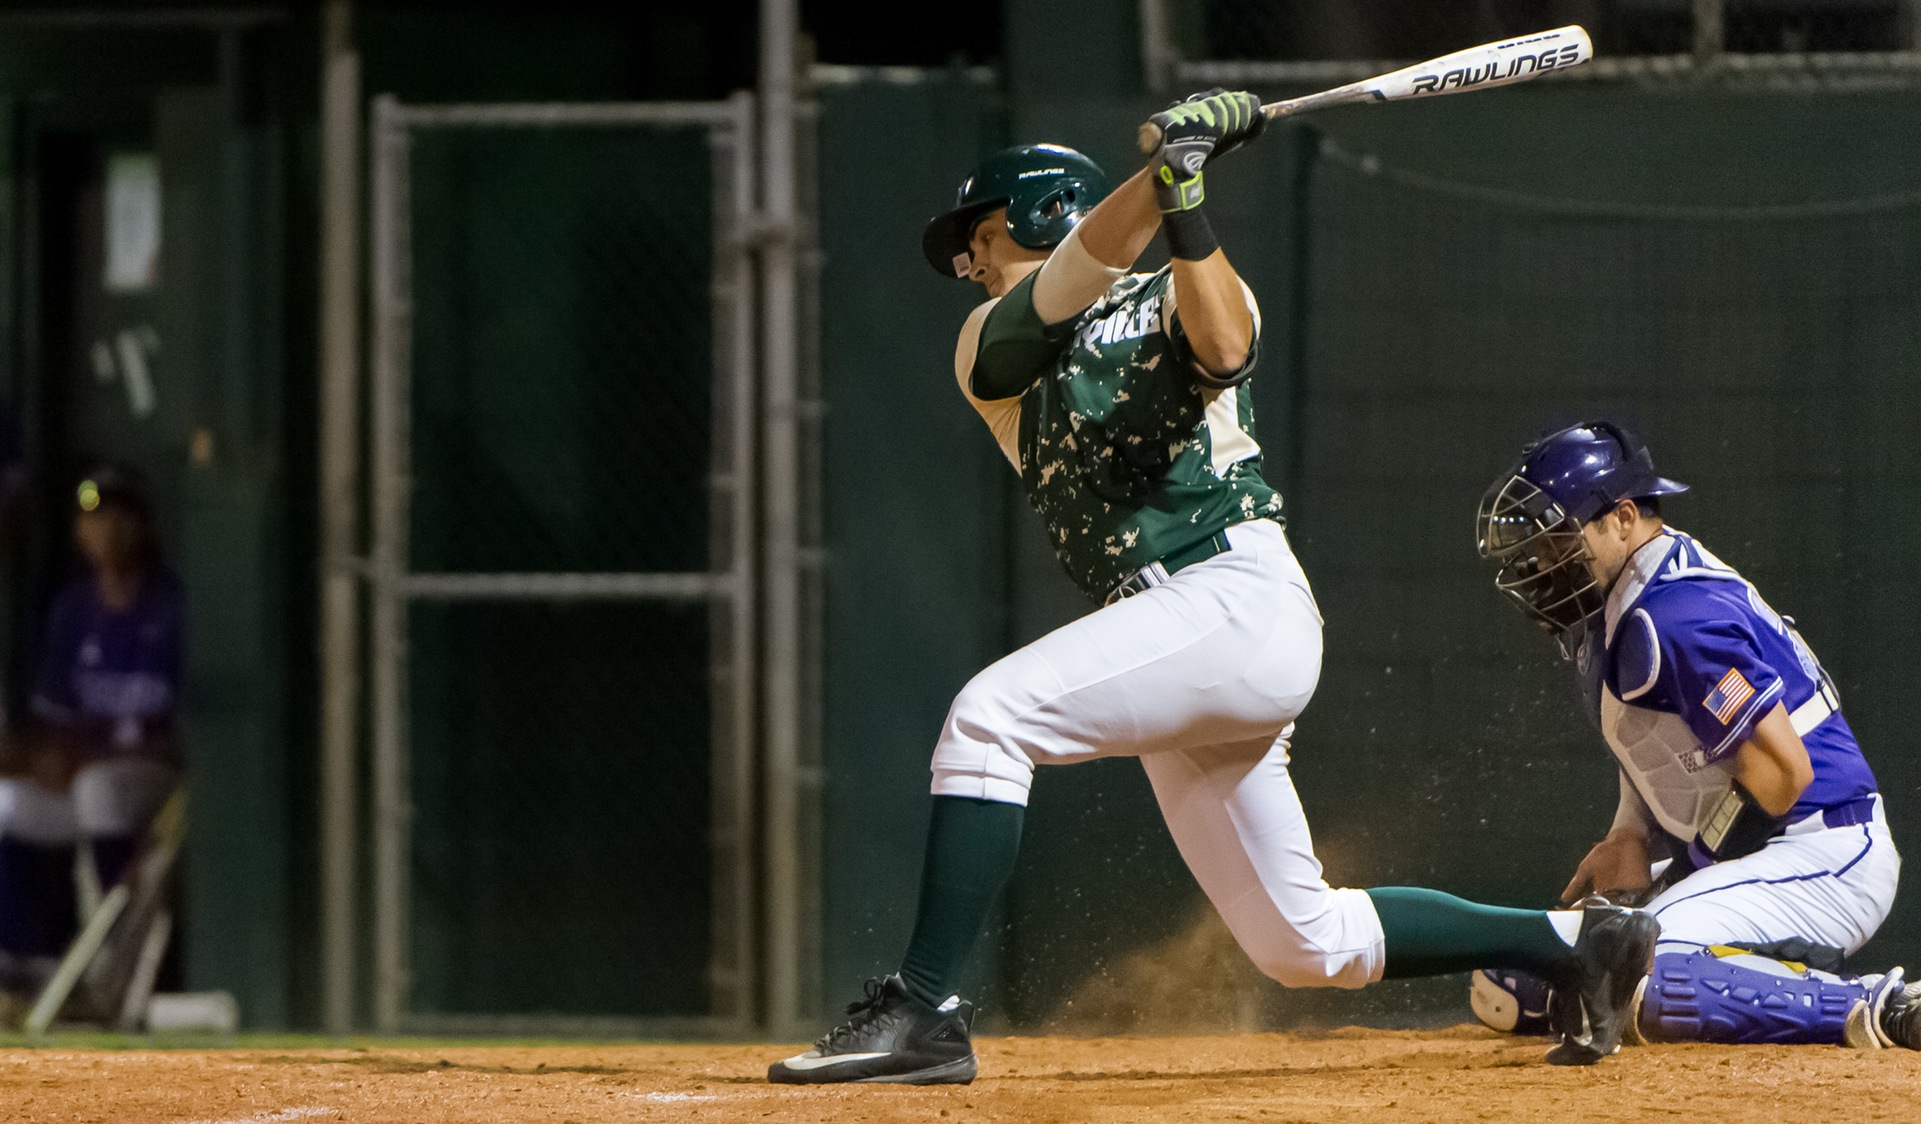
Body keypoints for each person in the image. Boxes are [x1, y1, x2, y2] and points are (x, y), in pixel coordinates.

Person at [769, 93, 1658, 1086]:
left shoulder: (1174, 288)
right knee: (1300, 940)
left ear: (1036, 209)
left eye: (977, 234)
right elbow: (1064, 291)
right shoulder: (987, 347)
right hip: (1171, 634)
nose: (968, 262)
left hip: (1234, 597)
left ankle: (923, 1006)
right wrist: (1158, 180)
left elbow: (1228, 343)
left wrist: (1185, 197)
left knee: (987, 718)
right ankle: (1577, 944)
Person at [1472, 421, 1918, 1051]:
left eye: (1560, 538)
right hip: (1755, 847)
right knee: (1509, 986)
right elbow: (1661, 740)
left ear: (1623, 517)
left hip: (1826, 850)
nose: (1545, 561)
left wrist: (1678, 873)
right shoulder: (1625, 590)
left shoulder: (1677, 618)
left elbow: (1786, 778)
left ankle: (1885, 1008)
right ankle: (1734, 967)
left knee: (1631, 966)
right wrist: (1629, 835)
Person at [0, 463, 184, 1010]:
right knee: (9, 803)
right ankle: (36, 959)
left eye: (113, 516)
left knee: (98, 790)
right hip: (84, 771)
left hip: (147, 776)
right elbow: (54, 719)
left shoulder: (169, 607)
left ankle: (116, 963)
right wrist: (38, 758)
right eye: (91, 518)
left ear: (140, 523)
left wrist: (92, 756)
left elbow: (190, 732)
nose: (101, 529)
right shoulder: (74, 610)